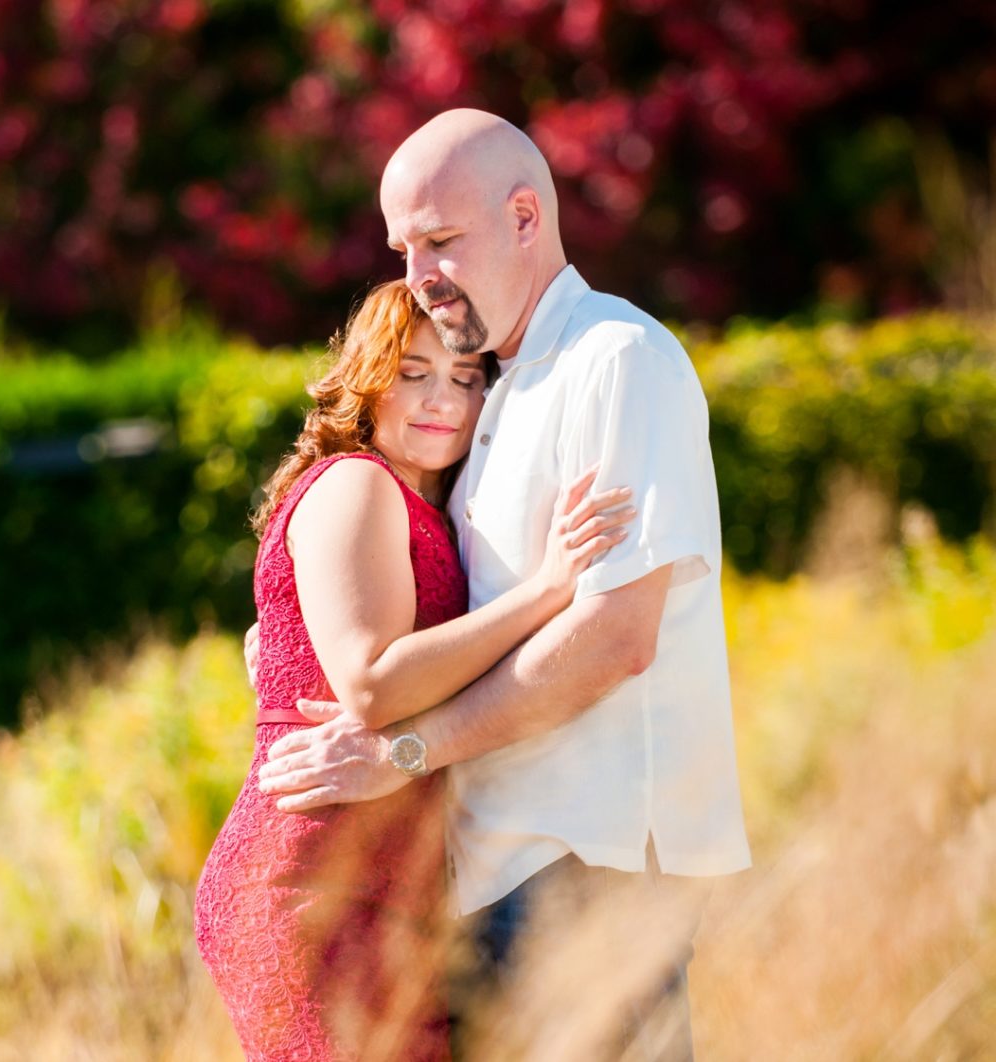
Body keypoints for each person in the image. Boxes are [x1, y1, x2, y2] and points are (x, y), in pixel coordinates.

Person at [254, 109, 753, 1057]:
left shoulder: (618, 360)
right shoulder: (494, 390)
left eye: (441, 239)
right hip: (488, 872)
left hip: (585, 864)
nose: (418, 275)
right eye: (403, 248)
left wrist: (406, 754)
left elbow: (615, 636)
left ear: (526, 217)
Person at [193, 279, 636, 1061]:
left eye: (467, 379)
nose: (444, 401)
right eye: (414, 372)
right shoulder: (357, 481)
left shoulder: (433, 507)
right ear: (368, 374)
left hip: (392, 901)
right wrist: (549, 590)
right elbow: (374, 684)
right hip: (306, 887)